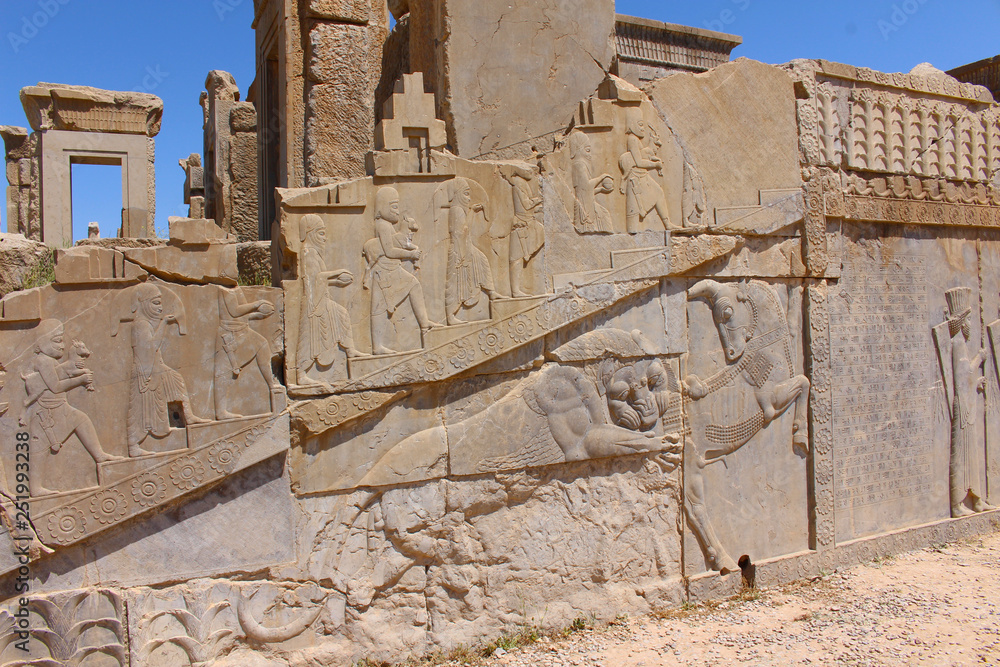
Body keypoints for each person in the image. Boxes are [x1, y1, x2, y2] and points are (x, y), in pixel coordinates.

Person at [21, 319, 123, 495]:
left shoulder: (50, 361)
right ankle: (35, 488)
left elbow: (60, 373)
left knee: (81, 419)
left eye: (62, 340)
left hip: (59, 407)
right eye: (57, 340)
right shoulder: (43, 361)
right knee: (39, 448)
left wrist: (73, 368)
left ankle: (99, 455)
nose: (62, 345)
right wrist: (80, 380)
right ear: (43, 342)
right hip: (47, 411)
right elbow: (55, 386)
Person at [127, 283, 209, 456]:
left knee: (175, 379)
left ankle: (189, 416)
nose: (160, 307)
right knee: (140, 409)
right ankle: (133, 446)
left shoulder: (144, 324)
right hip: (145, 372)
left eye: (160, 303)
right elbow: (150, 348)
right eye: (156, 303)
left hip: (154, 368)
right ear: (144, 303)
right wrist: (164, 323)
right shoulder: (140, 325)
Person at [363, 187, 440, 354]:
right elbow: (390, 251)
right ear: (382, 207)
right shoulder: (382, 225)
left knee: (411, 286)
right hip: (385, 271)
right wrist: (410, 254)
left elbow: (396, 242)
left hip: (390, 269)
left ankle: (424, 323)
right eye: (394, 207)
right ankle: (377, 347)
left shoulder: (387, 226)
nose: (397, 212)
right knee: (379, 307)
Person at [943, 287, 993, 516]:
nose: (971, 324)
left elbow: (968, 381)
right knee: (961, 454)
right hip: (963, 406)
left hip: (969, 403)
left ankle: (978, 499)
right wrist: (979, 358)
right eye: (969, 319)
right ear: (962, 322)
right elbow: (962, 377)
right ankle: (956, 504)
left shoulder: (960, 343)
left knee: (972, 454)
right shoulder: (957, 344)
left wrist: (977, 384)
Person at [297, 214, 360, 385]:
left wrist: (335, 281)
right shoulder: (308, 253)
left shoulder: (314, 254)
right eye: (321, 234)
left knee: (342, 313)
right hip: (312, 303)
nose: (324, 238)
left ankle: (350, 349)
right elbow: (315, 279)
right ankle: (301, 374)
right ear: (310, 233)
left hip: (320, 299)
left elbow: (319, 279)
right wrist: (337, 273)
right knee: (308, 338)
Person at [215, 286, 282, 418]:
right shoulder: (224, 289)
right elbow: (234, 311)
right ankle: (220, 412)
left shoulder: (235, 289)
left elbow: (242, 316)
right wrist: (257, 304)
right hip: (229, 333)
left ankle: (271, 384)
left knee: (262, 344)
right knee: (224, 372)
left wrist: (260, 314)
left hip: (243, 330)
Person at [445, 178, 496, 324]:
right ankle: (450, 315)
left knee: (482, 260)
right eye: (466, 194)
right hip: (459, 249)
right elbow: (463, 230)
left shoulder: (460, 210)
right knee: (455, 282)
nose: (468, 198)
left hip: (466, 246)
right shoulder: (456, 210)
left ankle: (492, 293)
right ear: (458, 194)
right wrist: (472, 212)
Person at [620, 108, 672, 234]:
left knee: (658, 192)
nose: (643, 128)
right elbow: (638, 162)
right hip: (636, 178)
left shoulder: (636, 140)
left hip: (642, 176)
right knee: (633, 217)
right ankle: (666, 224)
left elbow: (643, 156)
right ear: (632, 124)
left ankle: (668, 224)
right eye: (640, 124)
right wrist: (655, 165)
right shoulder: (632, 139)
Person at [501, 166, 545, 297]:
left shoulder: (522, 183)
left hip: (527, 221)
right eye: (528, 170)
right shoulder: (519, 183)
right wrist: (538, 199)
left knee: (540, 232)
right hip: (521, 224)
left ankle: (528, 254)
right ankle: (515, 290)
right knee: (516, 258)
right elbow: (526, 204)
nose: (532, 172)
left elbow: (527, 207)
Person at [570, 131, 614, 234]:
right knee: (603, 215)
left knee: (604, 214)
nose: (590, 154)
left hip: (587, 202)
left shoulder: (580, 164)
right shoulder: (579, 164)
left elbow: (585, 191)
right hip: (584, 208)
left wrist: (600, 190)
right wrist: (601, 177)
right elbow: (586, 187)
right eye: (587, 150)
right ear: (579, 149)